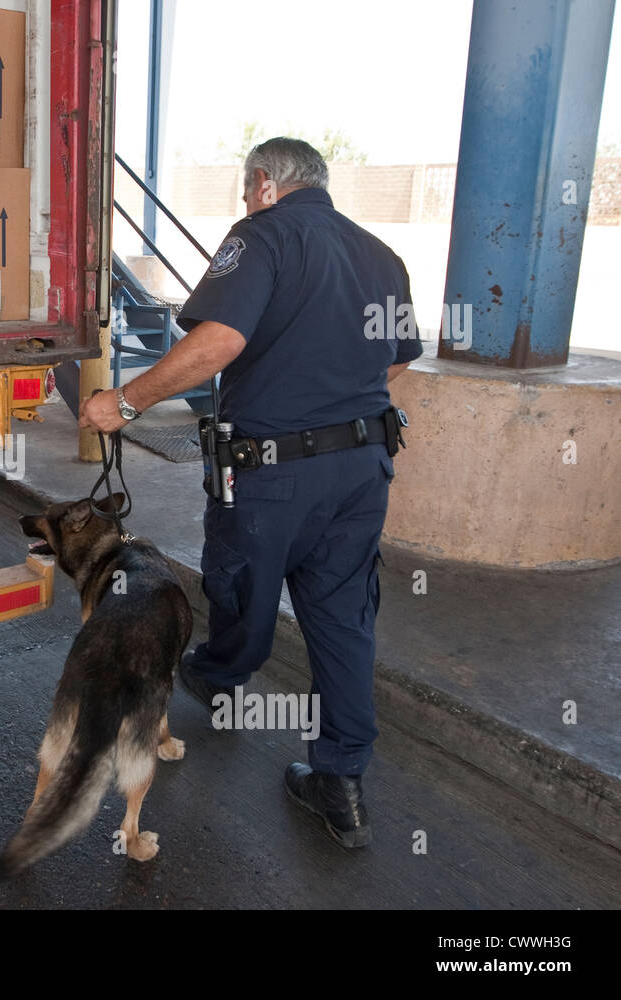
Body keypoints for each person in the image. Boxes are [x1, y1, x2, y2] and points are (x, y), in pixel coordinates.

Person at [79, 137, 422, 848]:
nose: (244, 202)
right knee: (344, 620)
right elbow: (395, 365)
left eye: (245, 190)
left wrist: (127, 402)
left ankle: (223, 677)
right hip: (362, 470)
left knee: (242, 586)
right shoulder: (381, 255)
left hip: (271, 473)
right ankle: (340, 784)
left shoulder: (261, 235)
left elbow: (218, 341)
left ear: (264, 183)